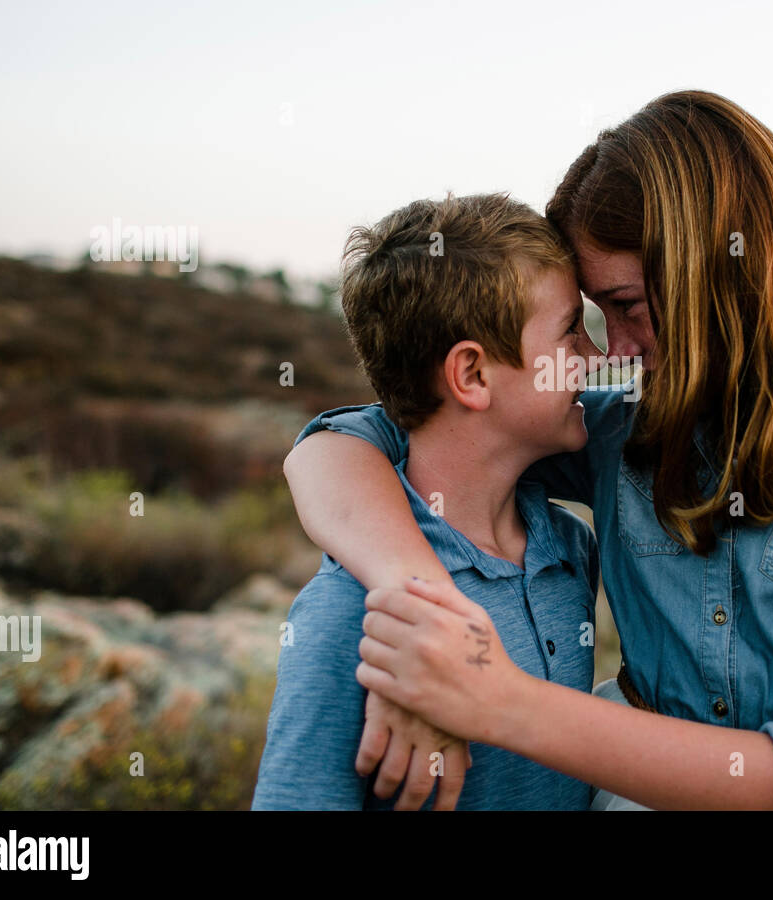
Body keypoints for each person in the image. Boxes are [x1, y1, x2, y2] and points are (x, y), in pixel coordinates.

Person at [284, 90, 773, 810]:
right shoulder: (621, 424)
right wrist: (427, 611)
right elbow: (363, 436)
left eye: (627, 308)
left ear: (728, 270)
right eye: (591, 319)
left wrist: (489, 699)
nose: (616, 353)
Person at [252, 193, 604, 809]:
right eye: (570, 331)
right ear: (471, 376)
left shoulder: (569, 549)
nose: (595, 356)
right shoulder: (354, 611)